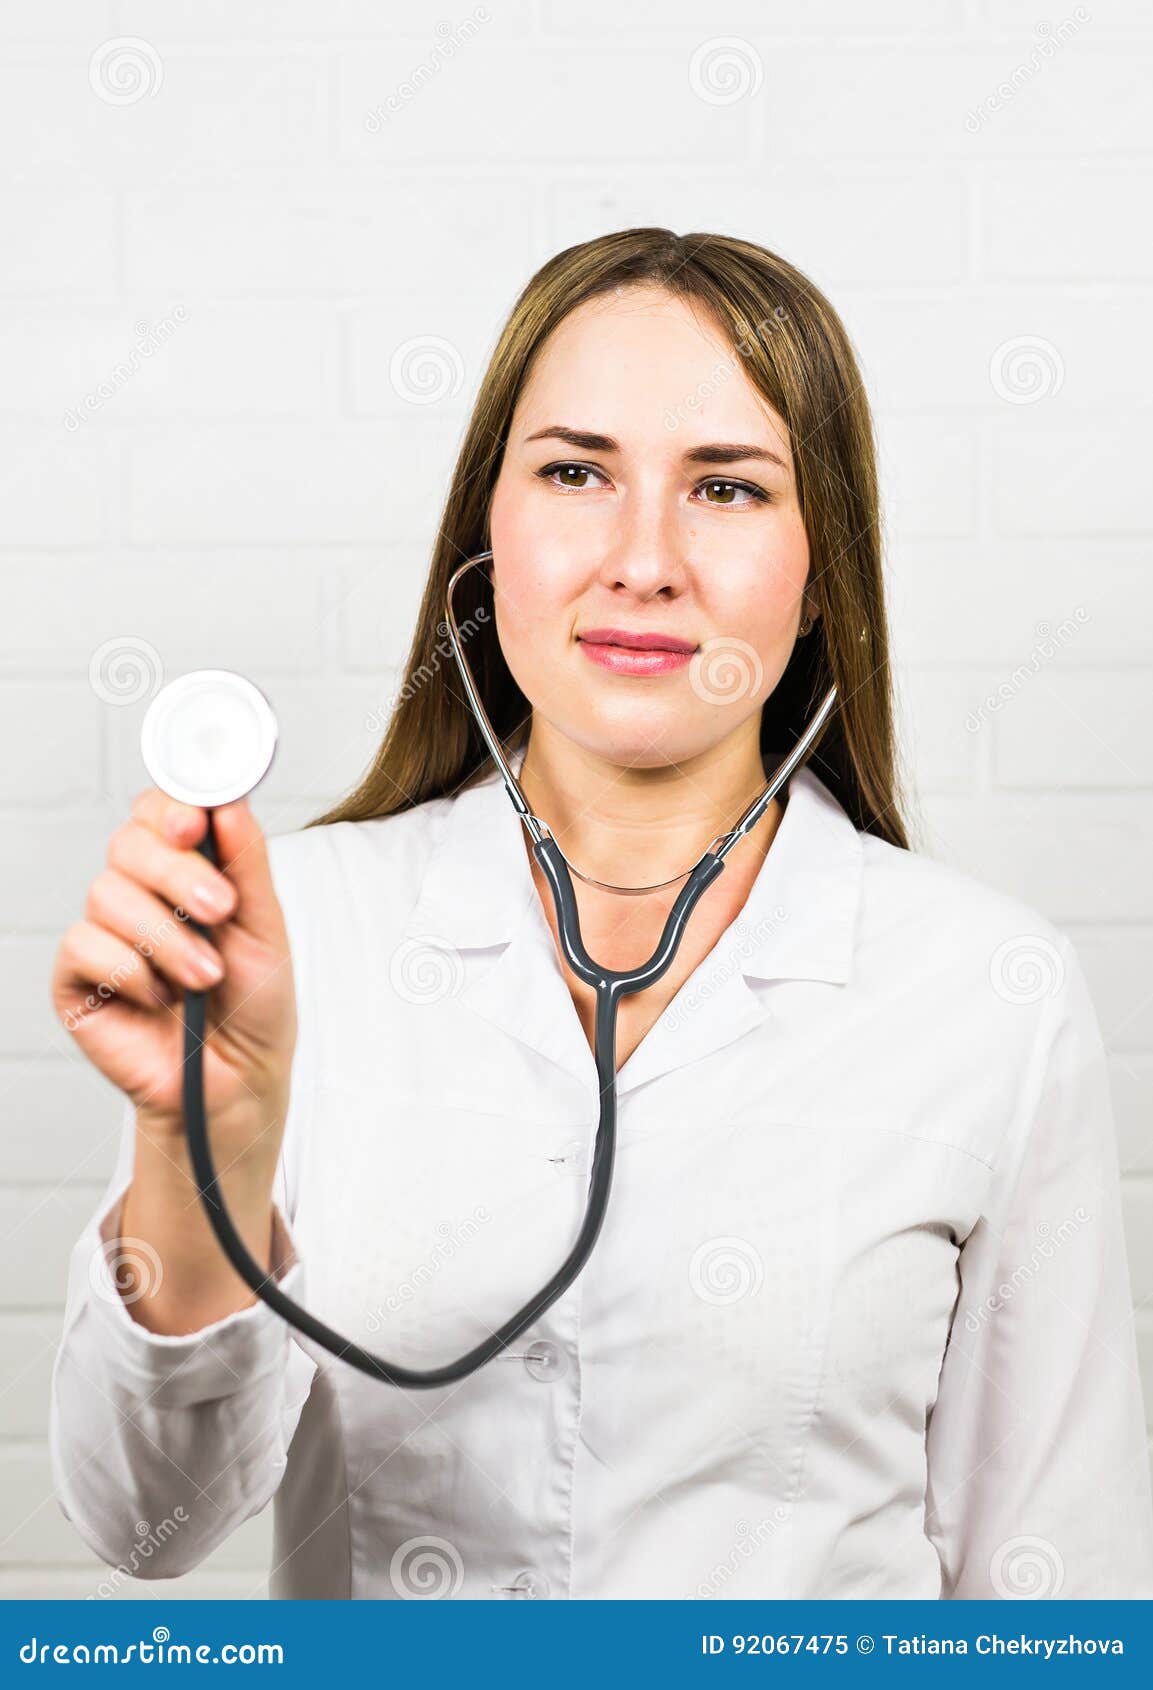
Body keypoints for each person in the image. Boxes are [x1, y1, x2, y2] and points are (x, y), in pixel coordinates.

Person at [49, 229, 1153, 1601]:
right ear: (485, 535)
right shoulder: (296, 935)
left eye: (728, 488)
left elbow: (1059, 1581)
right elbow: (141, 1527)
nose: (642, 560)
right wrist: (196, 1152)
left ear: (823, 572)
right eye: (574, 472)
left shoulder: (983, 987)